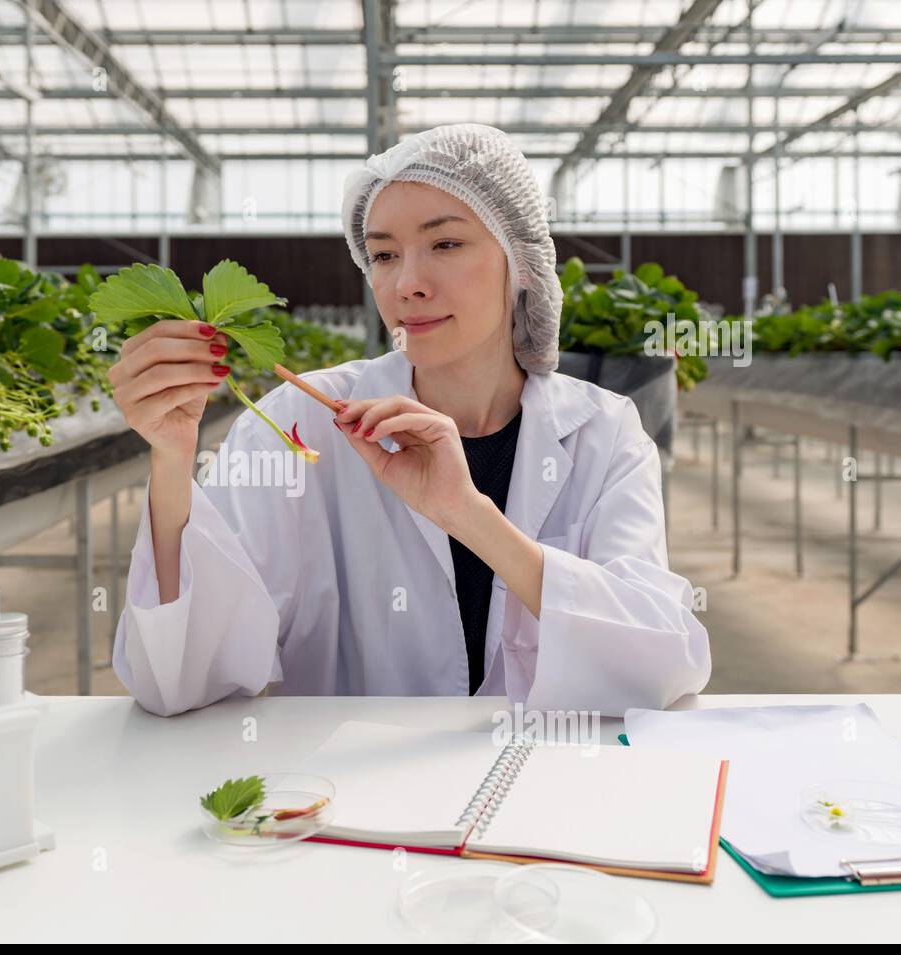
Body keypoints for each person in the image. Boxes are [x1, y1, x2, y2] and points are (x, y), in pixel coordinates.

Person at [108, 123, 711, 717]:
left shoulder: (604, 431)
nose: (407, 284)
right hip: (351, 799)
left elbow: (660, 666)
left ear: (521, 261)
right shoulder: (300, 423)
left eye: (445, 244)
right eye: (384, 255)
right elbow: (180, 680)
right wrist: (170, 458)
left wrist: (469, 515)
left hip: (537, 791)